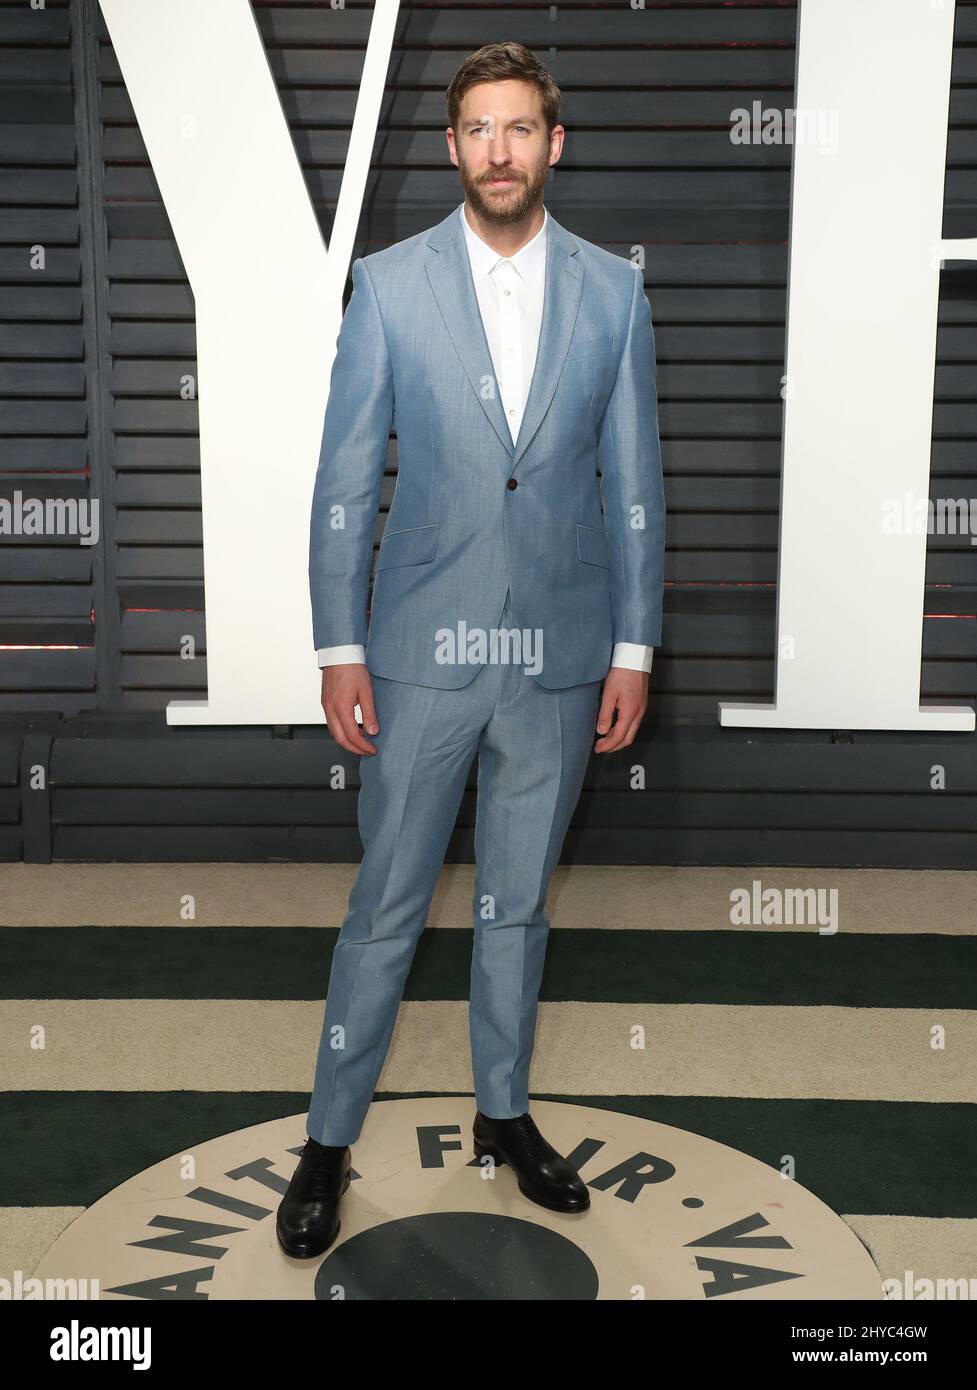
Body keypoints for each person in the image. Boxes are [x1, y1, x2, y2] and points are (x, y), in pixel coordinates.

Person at [277, 40, 665, 1259]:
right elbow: (345, 486)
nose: (498, 151)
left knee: (515, 910)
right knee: (384, 907)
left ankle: (504, 1115)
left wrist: (634, 647)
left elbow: (634, 485)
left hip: (556, 657)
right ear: (451, 149)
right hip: (416, 655)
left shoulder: (614, 290)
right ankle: (328, 1141)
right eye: (476, 131)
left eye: (519, 129)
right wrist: (339, 643)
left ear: (554, 144)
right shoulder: (389, 287)